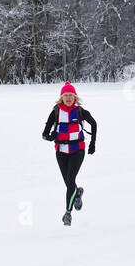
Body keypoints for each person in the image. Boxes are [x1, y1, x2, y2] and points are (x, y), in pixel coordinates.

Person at [41, 82, 97, 226]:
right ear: (61, 97)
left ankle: (68, 213)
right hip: (61, 151)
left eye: (70, 95)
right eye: (65, 95)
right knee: (68, 182)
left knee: (70, 179)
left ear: (75, 97)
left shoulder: (80, 111)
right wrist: (50, 136)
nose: (68, 98)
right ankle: (77, 193)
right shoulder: (56, 112)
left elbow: (94, 123)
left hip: (78, 150)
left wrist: (92, 143)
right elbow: (45, 133)